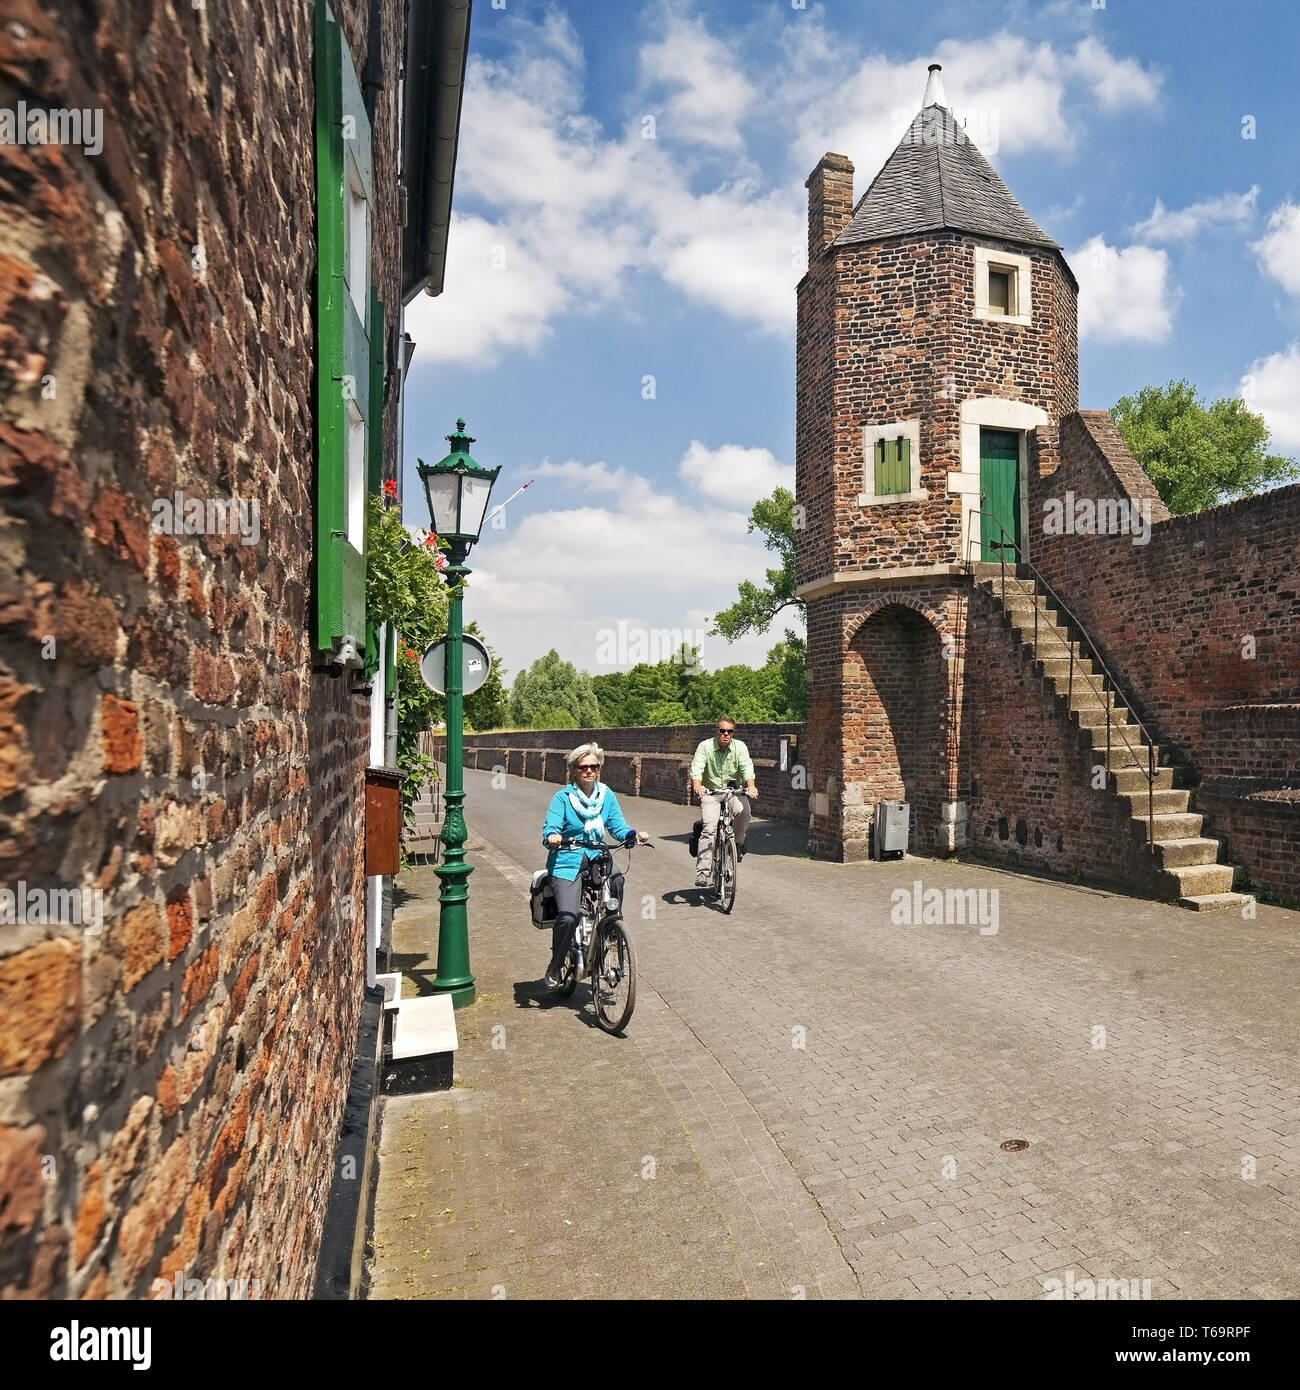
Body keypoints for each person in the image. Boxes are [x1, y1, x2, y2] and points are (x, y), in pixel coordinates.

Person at [540, 743, 649, 990]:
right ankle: (556, 965)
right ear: (574, 770)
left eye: (594, 767)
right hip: (567, 860)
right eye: (583, 767)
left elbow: (617, 826)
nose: (589, 771)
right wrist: (554, 836)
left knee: (618, 878)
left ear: (599, 769)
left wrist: (632, 835)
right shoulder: (562, 798)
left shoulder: (606, 795)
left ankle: (612, 926)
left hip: (597, 856)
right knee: (568, 917)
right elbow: (551, 827)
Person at [690, 716, 757, 888]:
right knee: (710, 827)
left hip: (733, 791)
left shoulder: (739, 747)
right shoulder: (705, 746)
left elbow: (746, 767)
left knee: (745, 812)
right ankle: (703, 872)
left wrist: (751, 787)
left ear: (733, 732)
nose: (725, 734)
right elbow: (697, 767)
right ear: (716, 731)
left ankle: (737, 845)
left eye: (729, 731)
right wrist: (697, 785)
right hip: (711, 793)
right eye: (722, 730)